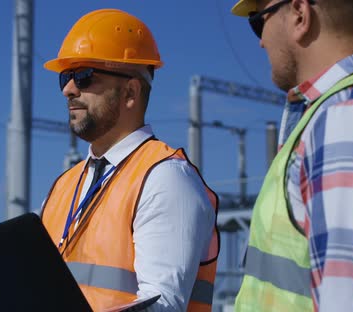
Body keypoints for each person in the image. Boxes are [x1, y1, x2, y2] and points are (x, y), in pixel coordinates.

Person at [40, 9, 219, 311]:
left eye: (84, 76)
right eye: (65, 78)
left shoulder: (165, 178)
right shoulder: (64, 186)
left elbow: (161, 306)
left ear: (130, 92)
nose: (69, 90)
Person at [230, 0, 353, 310]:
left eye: (258, 21)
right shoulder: (339, 113)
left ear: (300, 14)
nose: (260, 41)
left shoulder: (350, 115)